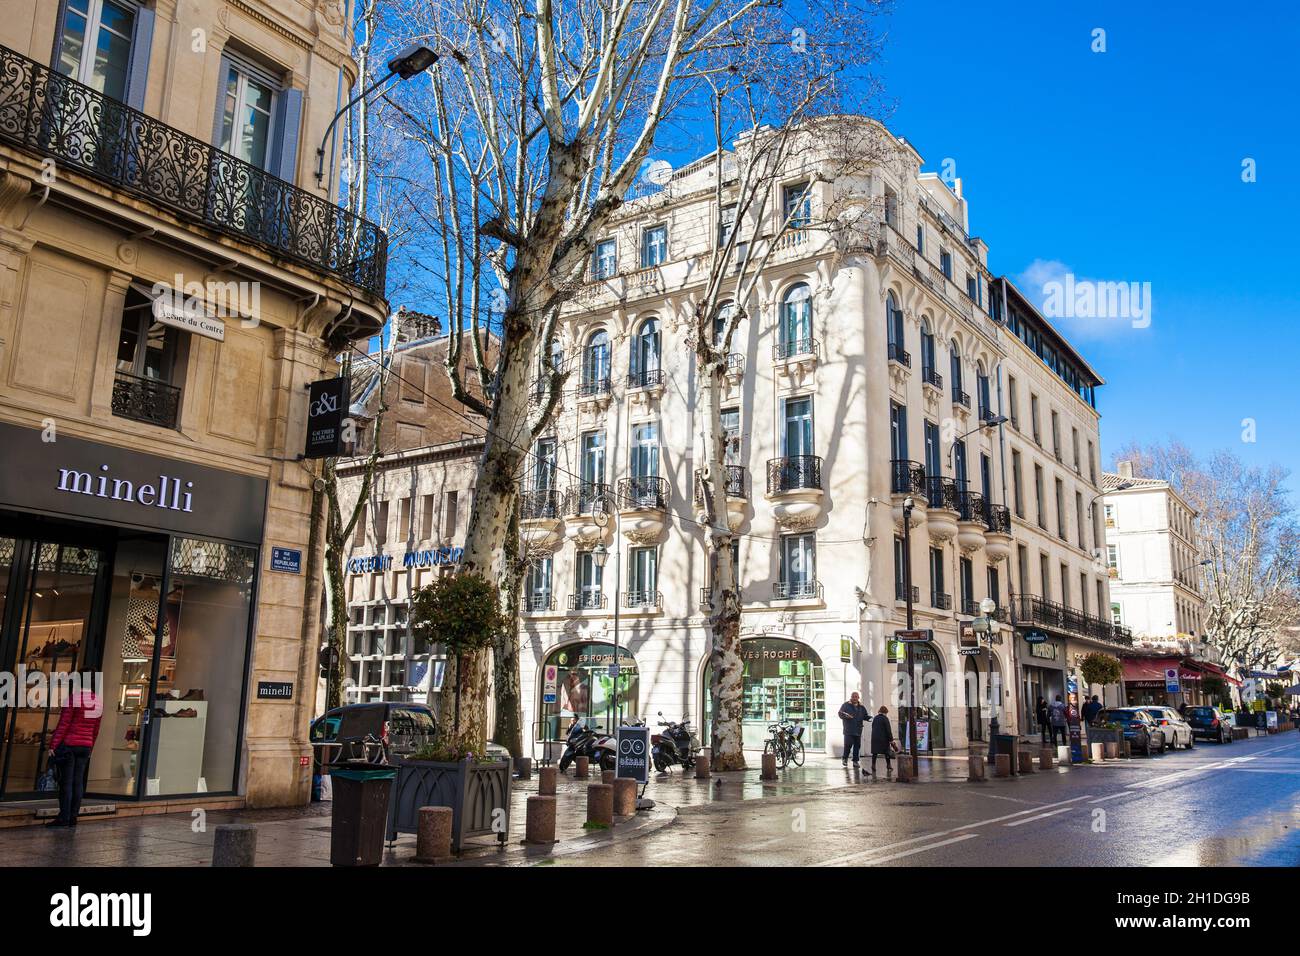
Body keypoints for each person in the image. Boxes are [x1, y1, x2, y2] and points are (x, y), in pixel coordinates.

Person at [46, 688, 102, 829]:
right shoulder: (98, 701)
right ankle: (73, 816)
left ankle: (64, 817)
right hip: (85, 746)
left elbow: (64, 723)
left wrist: (53, 744)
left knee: (66, 782)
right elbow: (96, 728)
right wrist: (91, 747)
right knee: (78, 782)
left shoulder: (74, 698)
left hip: (70, 744)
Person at [838, 692, 868, 767]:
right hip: (848, 730)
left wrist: (869, 718)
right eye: (853, 697)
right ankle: (845, 759)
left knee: (857, 746)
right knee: (848, 745)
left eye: (856, 697)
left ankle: (855, 761)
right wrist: (846, 717)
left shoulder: (861, 707)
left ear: (858, 698)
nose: (854, 698)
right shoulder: (846, 705)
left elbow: (865, 716)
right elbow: (840, 714)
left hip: (858, 730)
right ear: (851, 697)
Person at [869, 705, 896, 777]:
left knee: (875, 752)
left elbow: (873, 727)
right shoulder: (885, 718)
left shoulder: (875, 718)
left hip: (875, 738)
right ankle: (888, 765)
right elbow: (888, 730)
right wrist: (891, 739)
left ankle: (873, 765)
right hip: (883, 738)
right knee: (887, 752)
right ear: (885, 712)